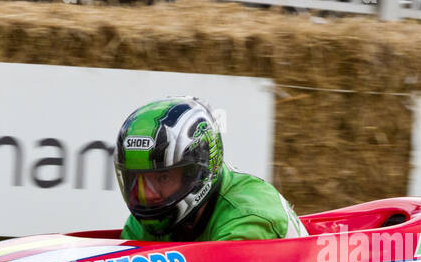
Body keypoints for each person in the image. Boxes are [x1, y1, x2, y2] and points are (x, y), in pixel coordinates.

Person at [114, 97, 306, 241]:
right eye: (138, 178)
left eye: (163, 178)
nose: (147, 194)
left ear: (199, 174)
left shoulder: (248, 218)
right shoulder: (146, 221)